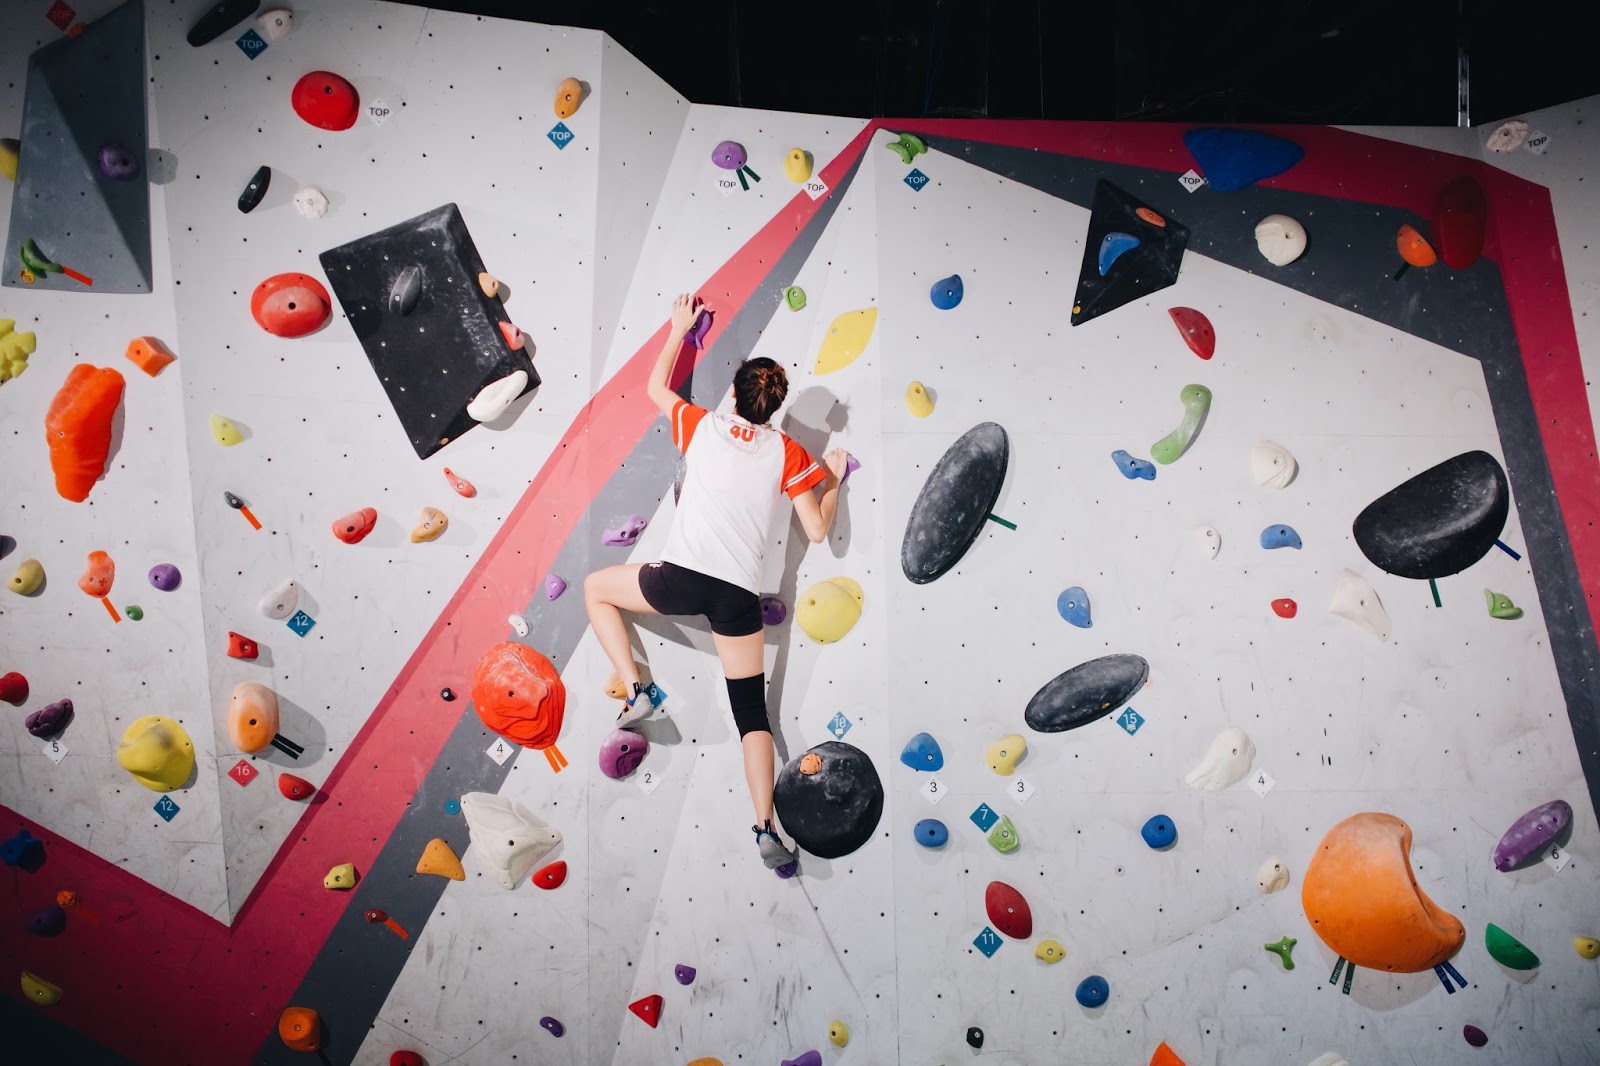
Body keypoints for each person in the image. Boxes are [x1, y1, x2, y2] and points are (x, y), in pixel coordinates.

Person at [584, 293, 849, 870]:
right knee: (753, 715)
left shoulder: (700, 426)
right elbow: (818, 533)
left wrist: (679, 328)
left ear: (734, 394)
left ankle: (637, 690)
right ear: (774, 411)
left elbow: (656, 389)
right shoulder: (789, 452)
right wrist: (830, 481)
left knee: (595, 588)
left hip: (677, 581)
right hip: (735, 600)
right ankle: (764, 826)